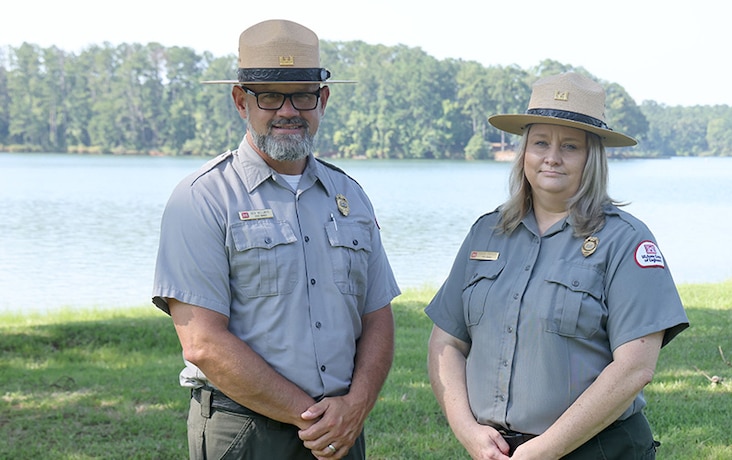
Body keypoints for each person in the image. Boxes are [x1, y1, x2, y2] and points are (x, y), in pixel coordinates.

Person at [152, 19, 400, 460]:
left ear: (322, 99)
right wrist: (314, 418)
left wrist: (355, 406)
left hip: (342, 427)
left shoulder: (351, 197)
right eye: (269, 95)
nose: (288, 111)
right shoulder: (202, 198)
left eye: (302, 94)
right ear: (240, 101)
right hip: (245, 430)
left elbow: (377, 316)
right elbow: (203, 343)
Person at [426, 72, 689, 460]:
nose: (551, 157)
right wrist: (468, 431)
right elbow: (446, 342)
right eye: (540, 143)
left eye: (569, 146)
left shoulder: (626, 241)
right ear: (524, 152)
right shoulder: (486, 233)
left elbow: (635, 367)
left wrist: (544, 450)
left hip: (599, 450)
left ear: (592, 157)